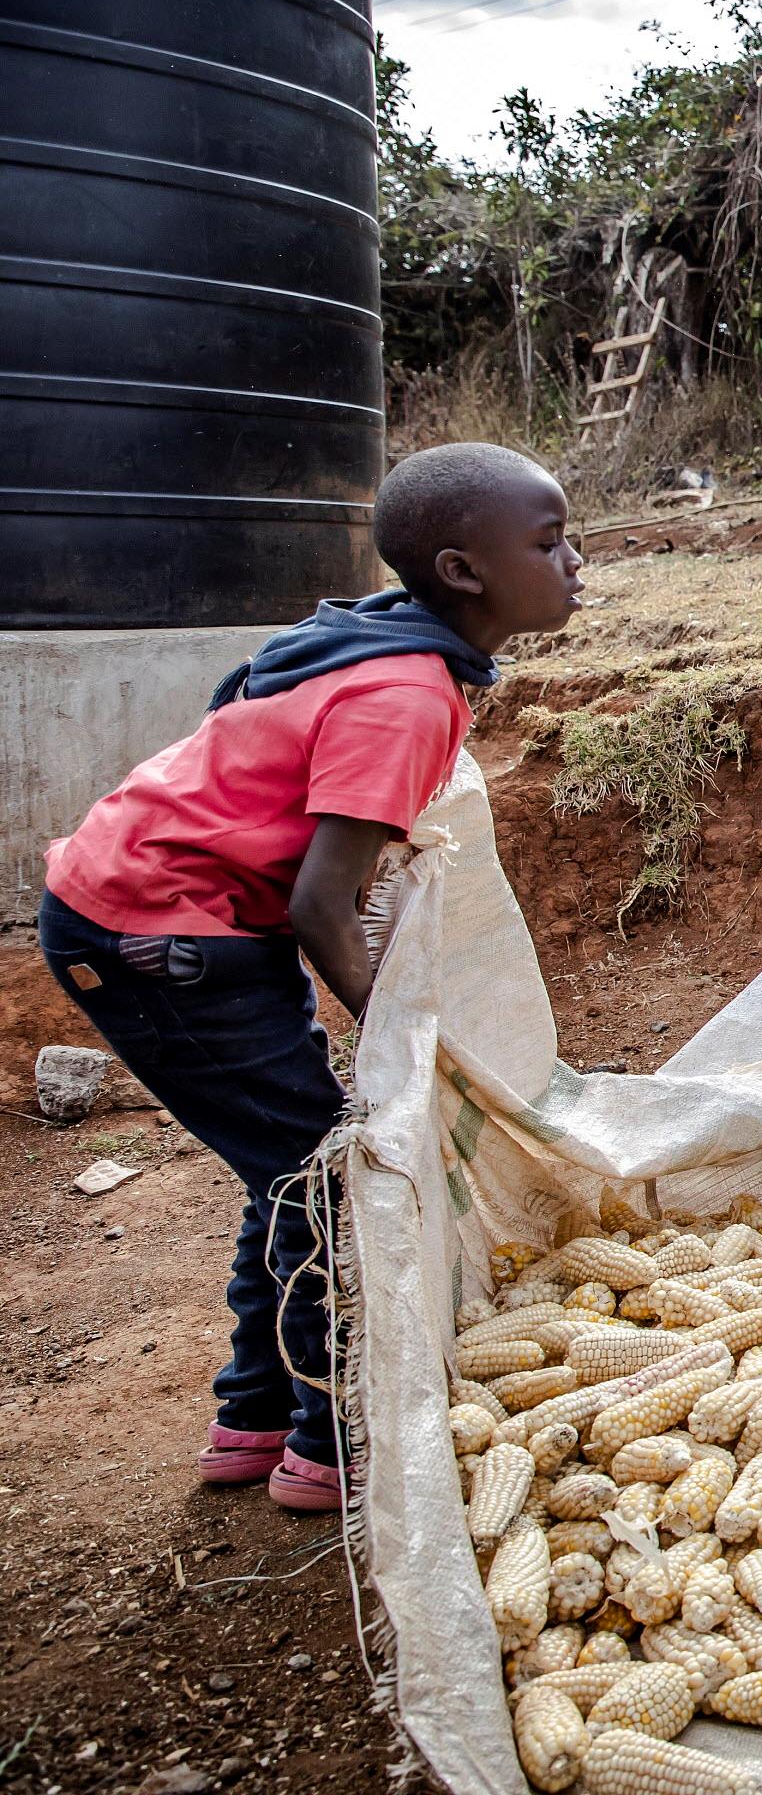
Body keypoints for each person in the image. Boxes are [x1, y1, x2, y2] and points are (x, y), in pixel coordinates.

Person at [37, 442, 584, 1511]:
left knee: (289, 1163)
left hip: (185, 916)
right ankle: (333, 1436)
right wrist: (411, 1044)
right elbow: (322, 905)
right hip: (161, 931)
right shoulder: (407, 694)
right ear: (463, 571)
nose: (577, 562)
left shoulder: (399, 651)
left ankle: (252, 1414)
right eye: (550, 541)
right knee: (334, 1176)